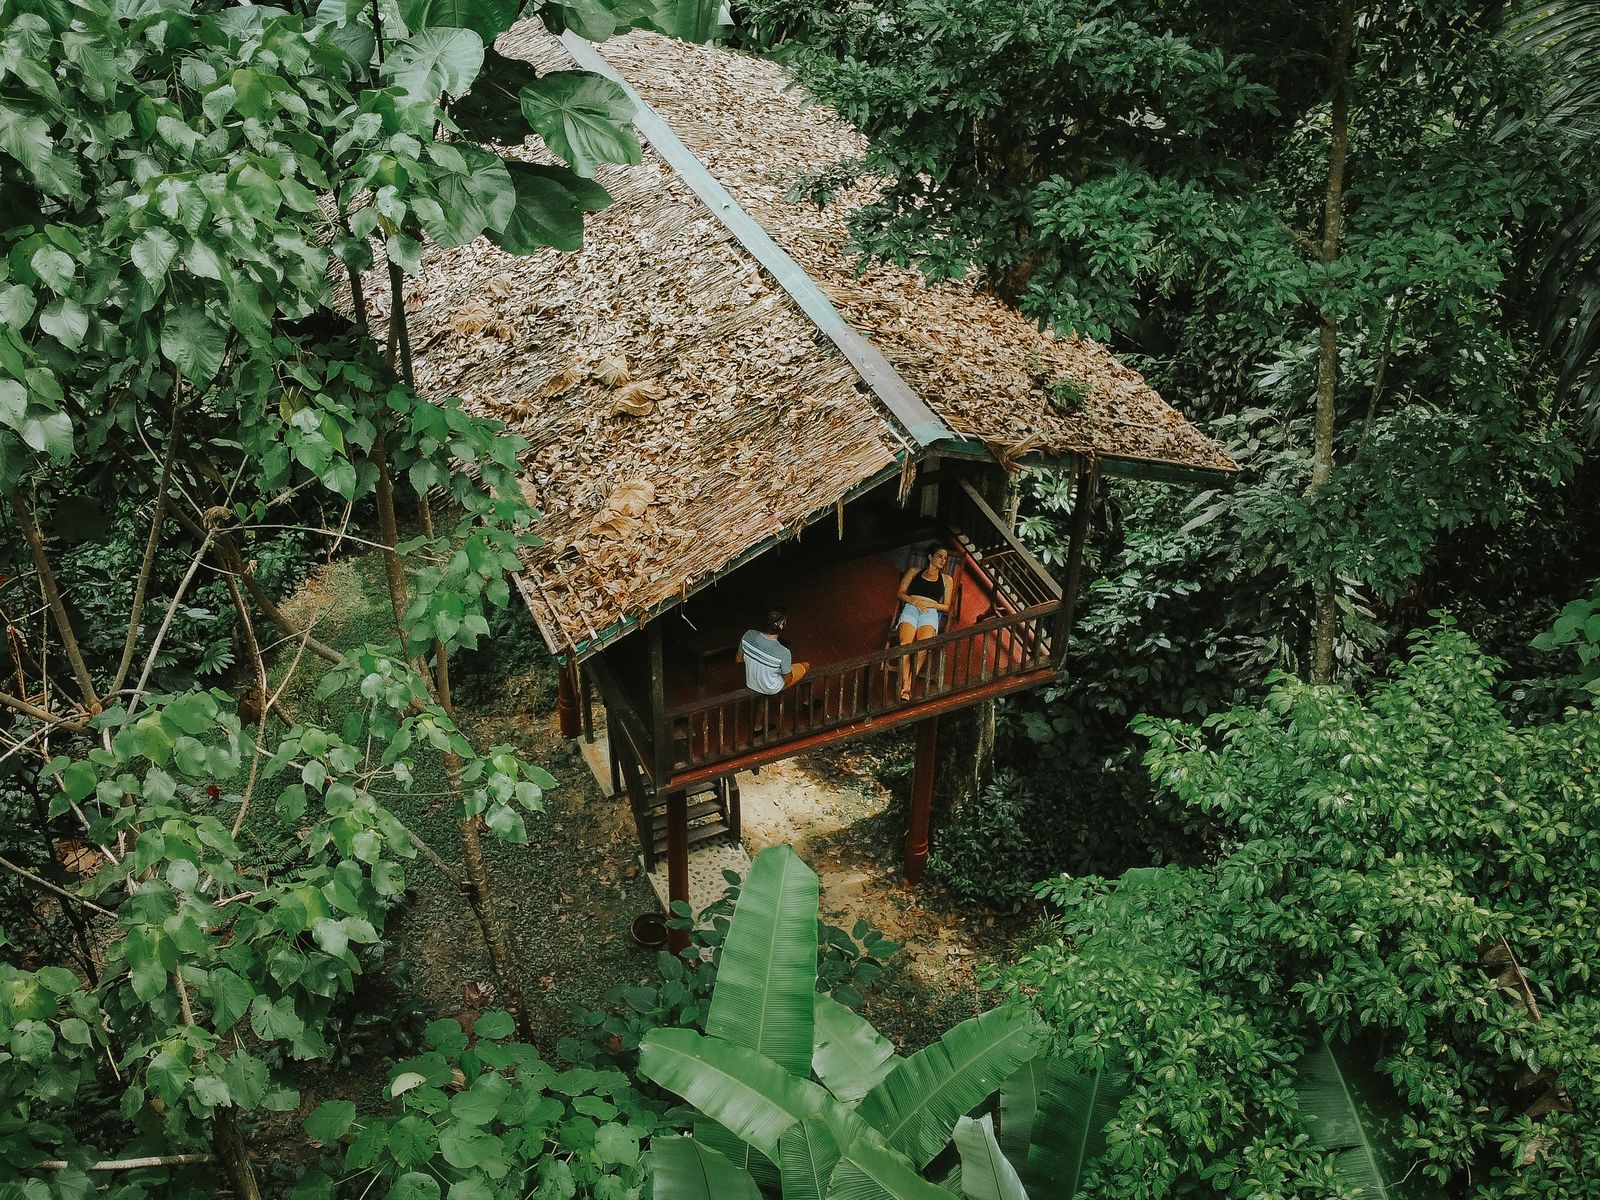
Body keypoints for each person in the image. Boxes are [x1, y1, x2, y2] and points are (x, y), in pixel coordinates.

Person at [896, 544, 952, 700]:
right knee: (905, 645)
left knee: (923, 646)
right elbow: (900, 593)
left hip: (929, 612)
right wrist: (913, 601)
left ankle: (907, 685)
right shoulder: (914, 572)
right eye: (940, 556)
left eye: (945, 558)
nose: (943, 560)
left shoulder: (947, 579)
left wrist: (929, 604)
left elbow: (947, 606)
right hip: (911, 608)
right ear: (930, 557)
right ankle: (906, 685)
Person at [737, 608, 810, 695]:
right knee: (806, 665)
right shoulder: (784, 652)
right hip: (771, 689)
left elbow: (738, 659)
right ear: (781, 626)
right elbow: (788, 679)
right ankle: (806, 700)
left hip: (751, 683)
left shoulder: (748, 634)